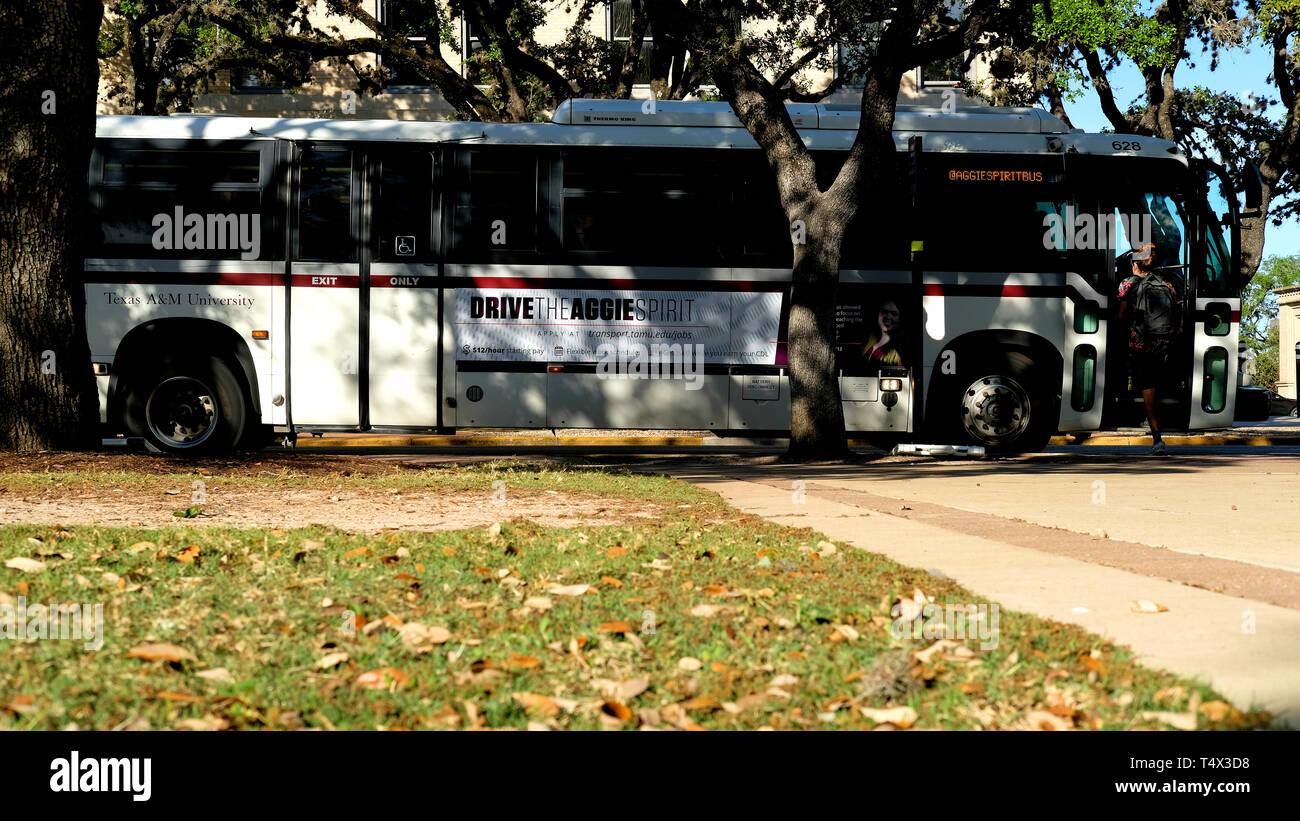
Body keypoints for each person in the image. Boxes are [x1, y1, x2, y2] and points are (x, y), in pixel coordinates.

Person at [1117, 242, 1183, 455]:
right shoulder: (1168, 284)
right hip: (1164, 343)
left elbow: (1120, 317)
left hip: (1140, 343)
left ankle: (1157, 438)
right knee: (1155, 382)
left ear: (1136, 264)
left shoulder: (1128, 284)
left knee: (1147, 385)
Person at [861, 300, 905, 367]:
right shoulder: (867, 340)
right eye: (884, 312)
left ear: (900, 319)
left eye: (894, 313)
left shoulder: (903, 348)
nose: (888, 316)